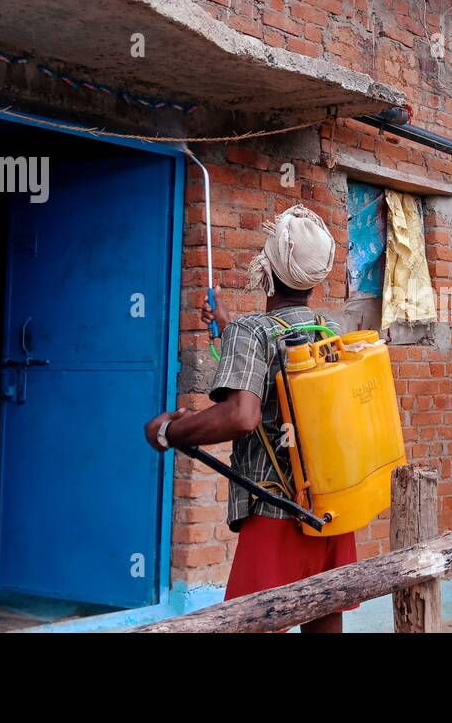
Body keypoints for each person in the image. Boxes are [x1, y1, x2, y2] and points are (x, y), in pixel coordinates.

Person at [143, 205, 354, 633]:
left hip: (274, 510)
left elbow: (242, 415)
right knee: (323, 622)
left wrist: (169, 431)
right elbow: (278, 366)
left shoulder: (253, 331)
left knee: (251, 625)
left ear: (268, 270)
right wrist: (227, 326)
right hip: (329, 507)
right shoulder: (330, 329)